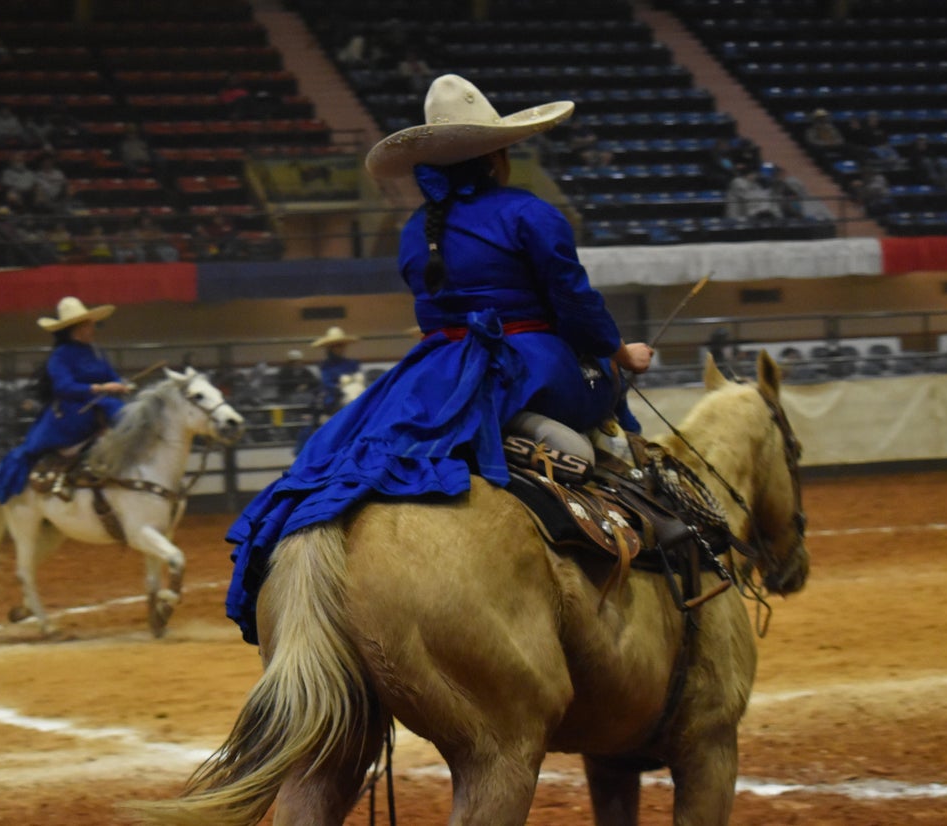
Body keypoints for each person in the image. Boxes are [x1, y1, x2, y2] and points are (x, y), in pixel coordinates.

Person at [225, 74, 653, 643]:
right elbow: (575, 305)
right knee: (608, 386)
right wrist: (623, 353)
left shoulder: (412, 233)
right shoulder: (529, 212)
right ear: (497, 154)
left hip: (437, 370)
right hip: (533, 363)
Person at [0, 297, 134, 503]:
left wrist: (121, 384)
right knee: (119, 413)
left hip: (101, 402)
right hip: (73, 408)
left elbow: (111, 376)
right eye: (88, 325)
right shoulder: (60, 355)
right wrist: (101, 388)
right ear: (76, 329)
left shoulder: (97, 351)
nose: (92, 328)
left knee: (127, 411)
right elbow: (64, 387)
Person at [310, 326, 361, 416]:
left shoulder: (352, 363)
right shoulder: (325, 366)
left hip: (355, 395)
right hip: (334, 398)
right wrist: (341, 389)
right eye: (337, 346)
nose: (341, 348)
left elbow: (358, 378)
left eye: (342, 345)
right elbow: (327, 383)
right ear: (330, 348)